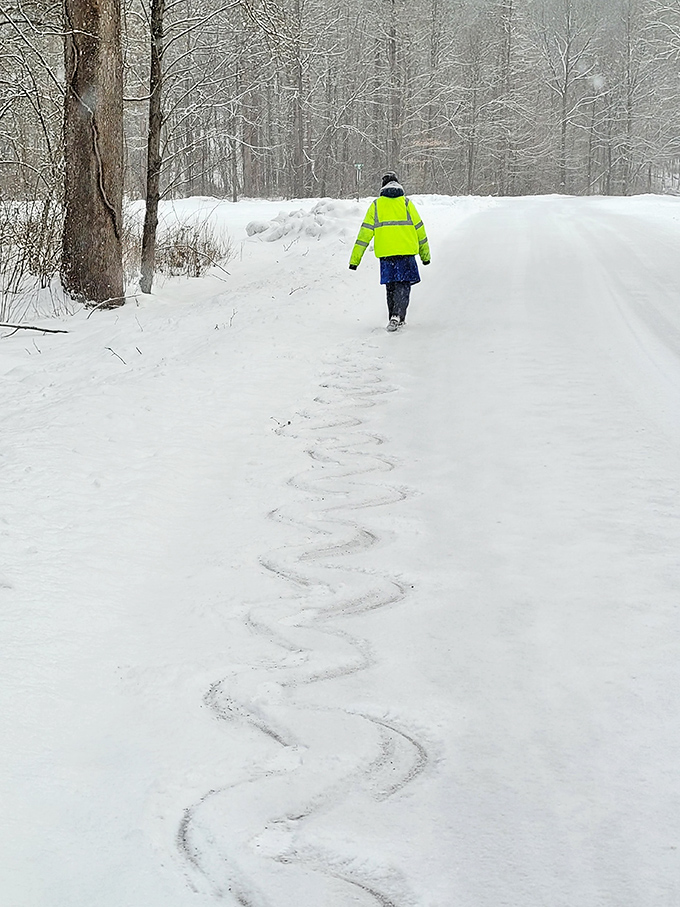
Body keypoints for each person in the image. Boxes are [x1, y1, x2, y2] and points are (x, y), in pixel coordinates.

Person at [349, 172, 431, 331]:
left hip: (386, 255)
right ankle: (398, 316)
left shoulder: (376, 205)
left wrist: (354, 260)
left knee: (391, 286)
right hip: (406, 253)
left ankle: (393, 316)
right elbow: (420, 230)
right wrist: (425, 255)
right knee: (403, 285)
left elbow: (364, 234)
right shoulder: (406, 204)